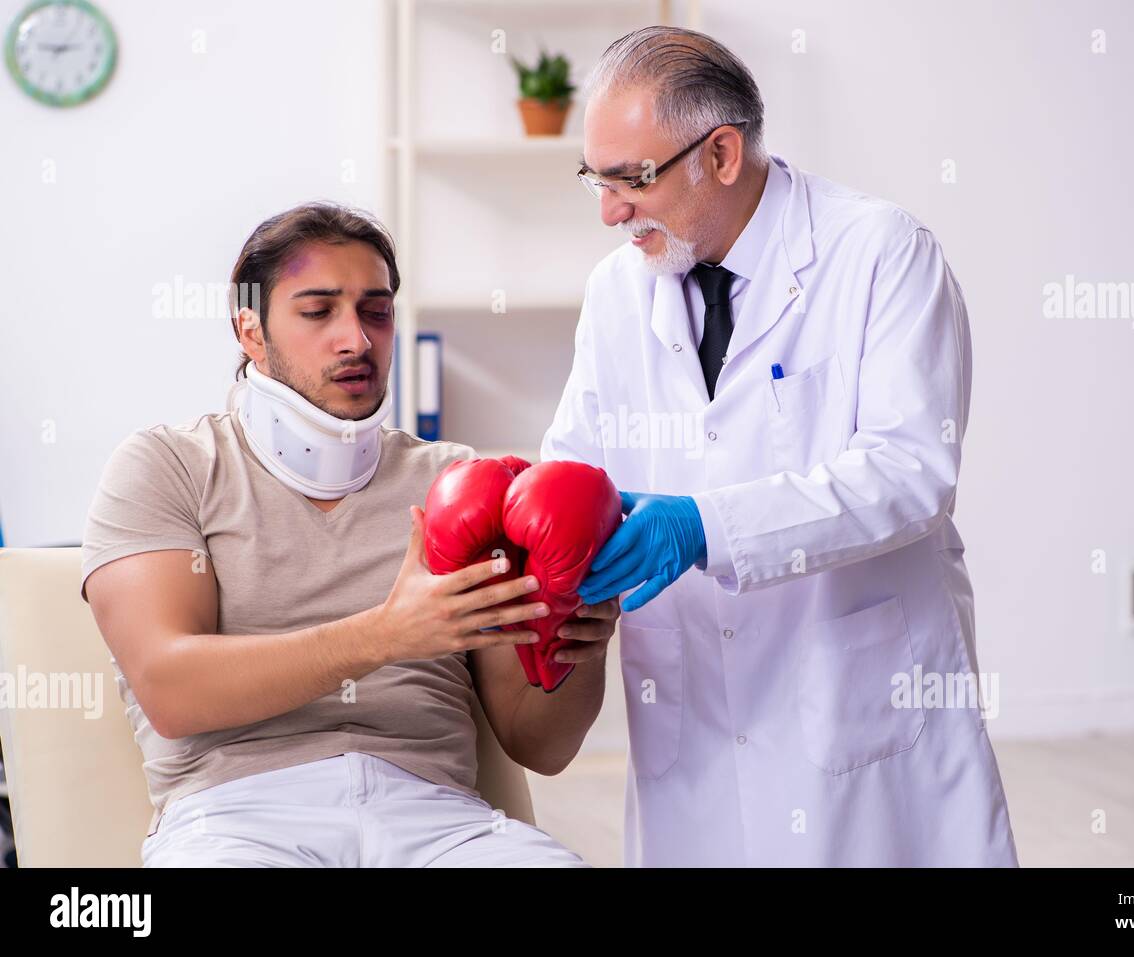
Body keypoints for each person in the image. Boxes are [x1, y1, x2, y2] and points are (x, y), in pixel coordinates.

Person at [545, 26, 1019, 866]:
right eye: (597, 179)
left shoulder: (880, 253)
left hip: (854, 696)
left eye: (633, 179)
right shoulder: (619, 289)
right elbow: (576, 461)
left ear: (721, 153)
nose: (610, 211)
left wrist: (706, 527)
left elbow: (910, 470)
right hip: (689, 708)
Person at [81, 202, 617, 867]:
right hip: (237, 820)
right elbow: (169, 689)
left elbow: (542, 746)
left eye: (376, 310)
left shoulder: (456, 479)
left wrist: (580, 645)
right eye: (317, 311)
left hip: (438, 820)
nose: (356, 340)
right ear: (250, 330)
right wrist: (386, 635)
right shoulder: (168, 465)